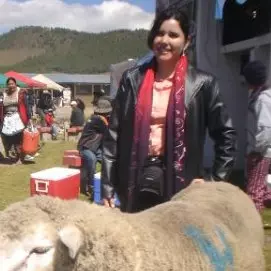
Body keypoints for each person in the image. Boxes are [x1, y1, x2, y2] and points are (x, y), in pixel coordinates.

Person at [101, 8, 237, 213]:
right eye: (160, 33)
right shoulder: (131, 79)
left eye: (173, 35)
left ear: (187, 42)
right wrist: (108, 186)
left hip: (184, 185)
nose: (164, 40)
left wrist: (214, 180)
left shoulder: (203, 84)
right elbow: (113, 135)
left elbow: (226, 135)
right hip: (134, 180)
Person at [243, 60, 271, 212]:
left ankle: (253, 227)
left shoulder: (263, 99)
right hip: (262, 150)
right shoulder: (258, 95)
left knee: (254, 192)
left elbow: (266, 128)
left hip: (262, 152)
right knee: (265, 189)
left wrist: (257, 150)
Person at [77, 97, 112, 196]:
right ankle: (91, 185)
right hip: (85, 147)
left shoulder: (97, 118)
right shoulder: (97, 119)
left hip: (95, 148)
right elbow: (108, 131)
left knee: (107, 160)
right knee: (92, 160)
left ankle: (104, 182)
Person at [0, 77, 33, 163]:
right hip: (7, 119)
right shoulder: (4, 94)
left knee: (18, 138)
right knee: (7, 137)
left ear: (15, 84)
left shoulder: (21, 93)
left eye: (12, 83)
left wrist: (29, 117)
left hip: (18, 117)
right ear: (7, 85)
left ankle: (19, 158)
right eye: (9, 84)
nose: (11, 85)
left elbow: (26, 105)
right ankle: (11, 155)